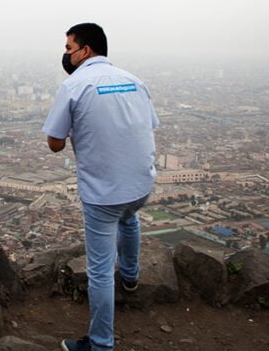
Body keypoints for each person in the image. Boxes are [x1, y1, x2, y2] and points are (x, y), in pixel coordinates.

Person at [43, 23, 159, 351]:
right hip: (141, 184)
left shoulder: (74, 85)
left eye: (68, 49)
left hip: (103, 193)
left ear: (86, 50)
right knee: (129, 217)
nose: (65, 55)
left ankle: (101, 345)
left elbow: (54, 143)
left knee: (99, 271)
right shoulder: (134, 80)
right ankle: (132, 277)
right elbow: (148, 125)